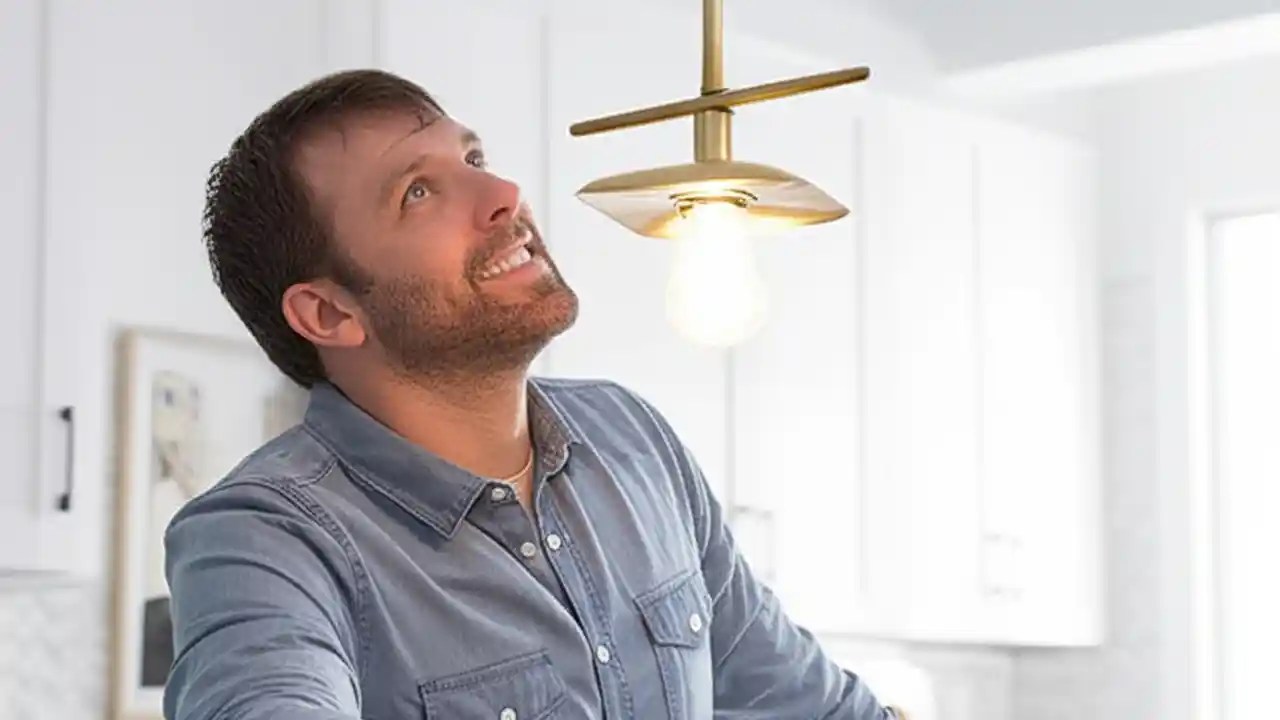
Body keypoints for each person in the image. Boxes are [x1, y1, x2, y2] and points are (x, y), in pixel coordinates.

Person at [164, 68, 898, 720]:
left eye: (475, 158)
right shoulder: (263, 537)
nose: (503, 195)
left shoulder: (630, 437)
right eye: (418, 192)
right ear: (329, 313)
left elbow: (806, 697)